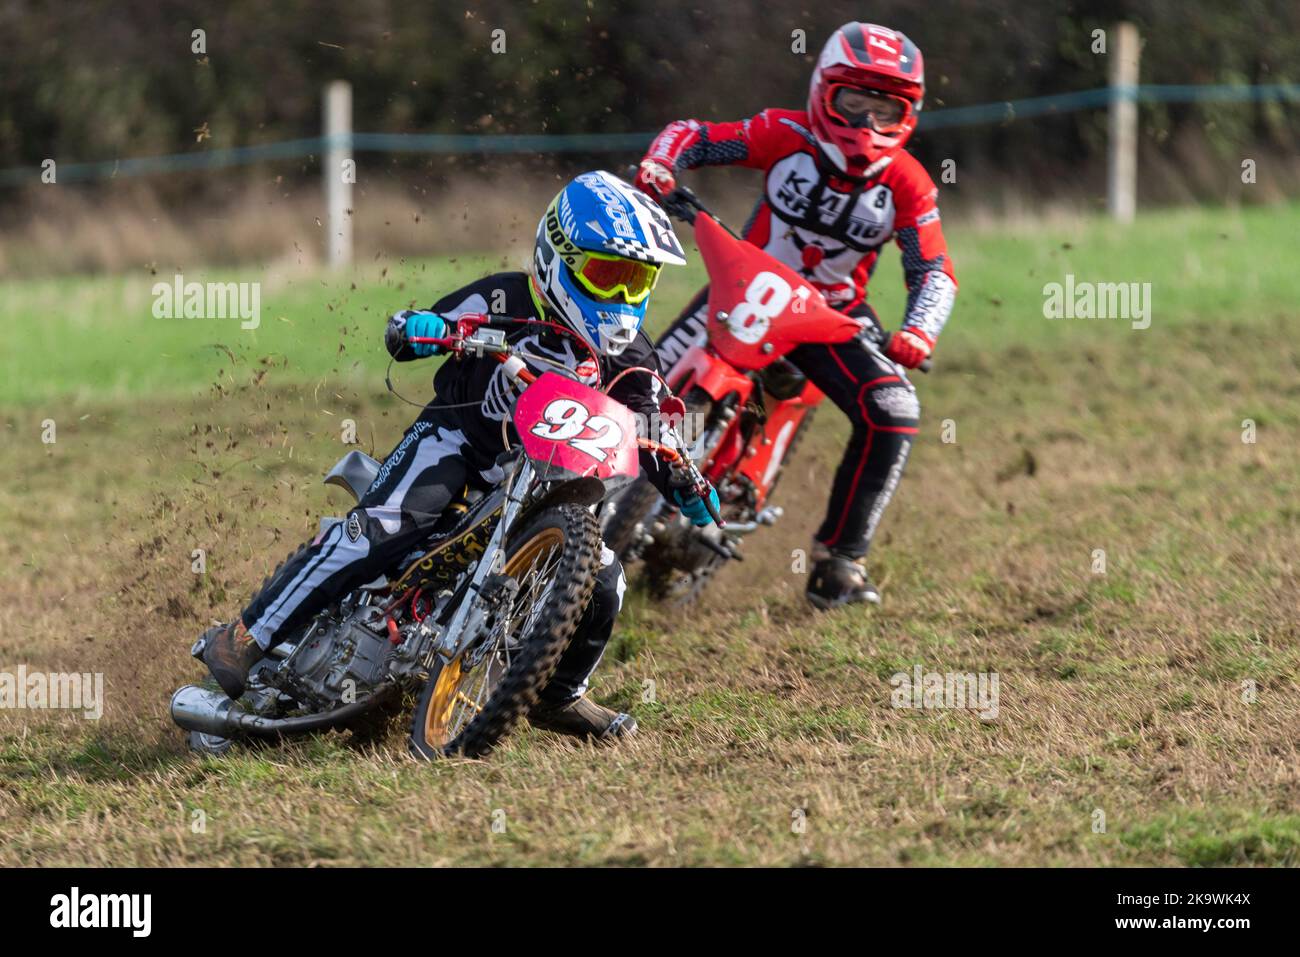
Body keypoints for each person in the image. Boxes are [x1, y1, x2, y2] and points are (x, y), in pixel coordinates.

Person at [200, 170, 718, 742]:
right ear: (559, 256)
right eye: (607, 276)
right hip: (458, 444)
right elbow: (416, 329)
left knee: (607, 581)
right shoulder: (504, 296)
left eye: (635, 281)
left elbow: (651, 425)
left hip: (547, 483)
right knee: (380, 529)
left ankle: (561, 693)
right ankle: (246, 635)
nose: (623, 297)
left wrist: (683, 478)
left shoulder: (635, 358)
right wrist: (423, 328)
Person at [635, 22, 957, 609]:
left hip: (825, 315)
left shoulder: (908, 184)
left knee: (895, 409)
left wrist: (918, 331)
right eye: (852, 102)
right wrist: (662, 163)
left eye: (885, 109)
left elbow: (933, 270)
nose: (865, 124)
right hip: (744, 287)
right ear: (822, 91)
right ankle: (564, 499)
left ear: (908, 114)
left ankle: (840, 563)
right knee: (635, 385)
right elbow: (695, 134)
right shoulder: (785, 133)